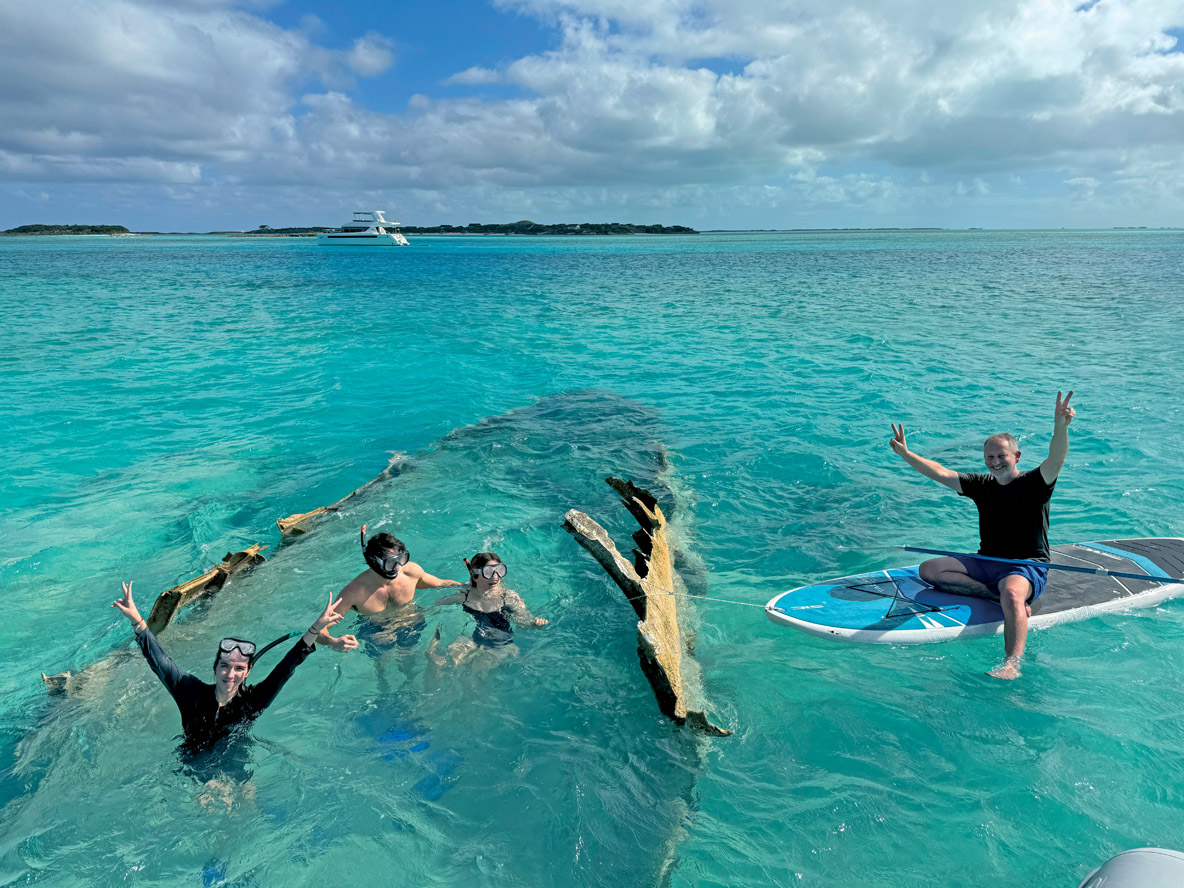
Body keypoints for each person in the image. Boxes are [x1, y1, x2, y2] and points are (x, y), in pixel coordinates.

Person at [889, 390, 1076, 680]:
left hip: (1026, 565)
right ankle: (993, 594)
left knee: (1013, 593)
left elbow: (1056, 457)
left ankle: (1011, 663)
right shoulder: (982, 484)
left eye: (1001, 455)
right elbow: (940, 472)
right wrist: (906, 454)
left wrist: (1060, 427)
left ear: (1017, 456)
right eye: (990, 457)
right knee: (929, 569)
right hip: (986, 561)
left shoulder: (1036, 483)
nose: (995, 461)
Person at [111, 582, 344, 749]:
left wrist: (315, 628)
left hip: (235, 758)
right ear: (215, 667)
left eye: (239, 668)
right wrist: (137, 622)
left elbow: (287, 667)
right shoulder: (189, 691)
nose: (230, 674)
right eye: (225, 666)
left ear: (248, 671)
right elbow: (160, 662)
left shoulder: (254, 701)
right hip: (193, 760)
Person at [315, 526, 462, 657]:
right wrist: (332, 642)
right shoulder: (353, 593)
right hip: (377, 632)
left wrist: (467, 585)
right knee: (382, 665)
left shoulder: (411, 572)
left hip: (410, 622)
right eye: (391, 562)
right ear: (375, 561)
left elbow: (442, 583)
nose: (398, 566)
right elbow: (318, 631)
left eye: (401, 558)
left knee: (409, 658)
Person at [427, 552, 547, 667]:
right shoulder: (464, 595)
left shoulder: (508, 597)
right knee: (447, 660)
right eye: (488, 572)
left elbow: (523, 621)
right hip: (473, 639)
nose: (495, 576)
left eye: (499, 571)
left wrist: (534, 624)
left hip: (500, 644)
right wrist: (433, 646)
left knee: (474, 672)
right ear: (475, 575)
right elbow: (433, 609)